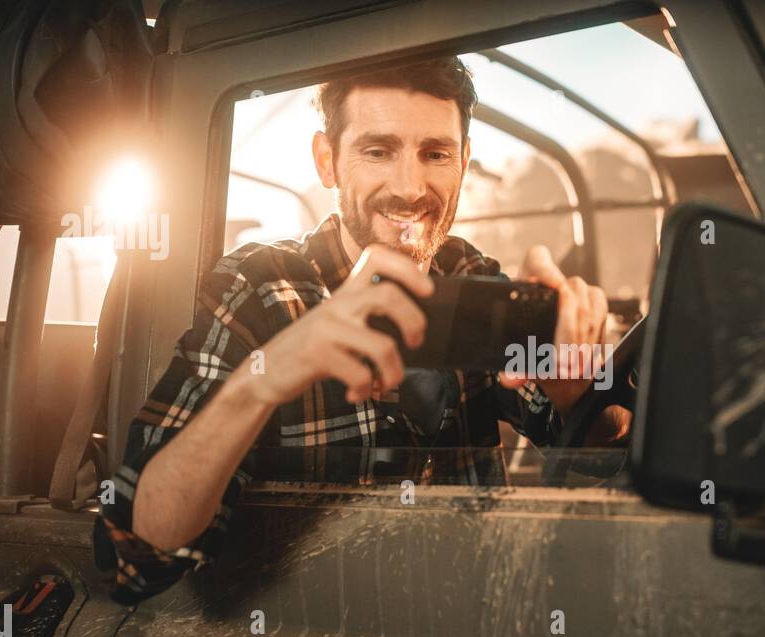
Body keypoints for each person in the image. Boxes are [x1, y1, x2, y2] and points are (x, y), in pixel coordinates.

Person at [95, 56, 627, 602]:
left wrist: (579, 388)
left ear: (464, 162)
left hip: (479, 627)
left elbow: (606, 448)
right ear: (327, 161)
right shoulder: (259, 288)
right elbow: (136, 557)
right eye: (378, 151)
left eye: (435, 154)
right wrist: (262, 381)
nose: (410, 188)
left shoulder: (469, 275)